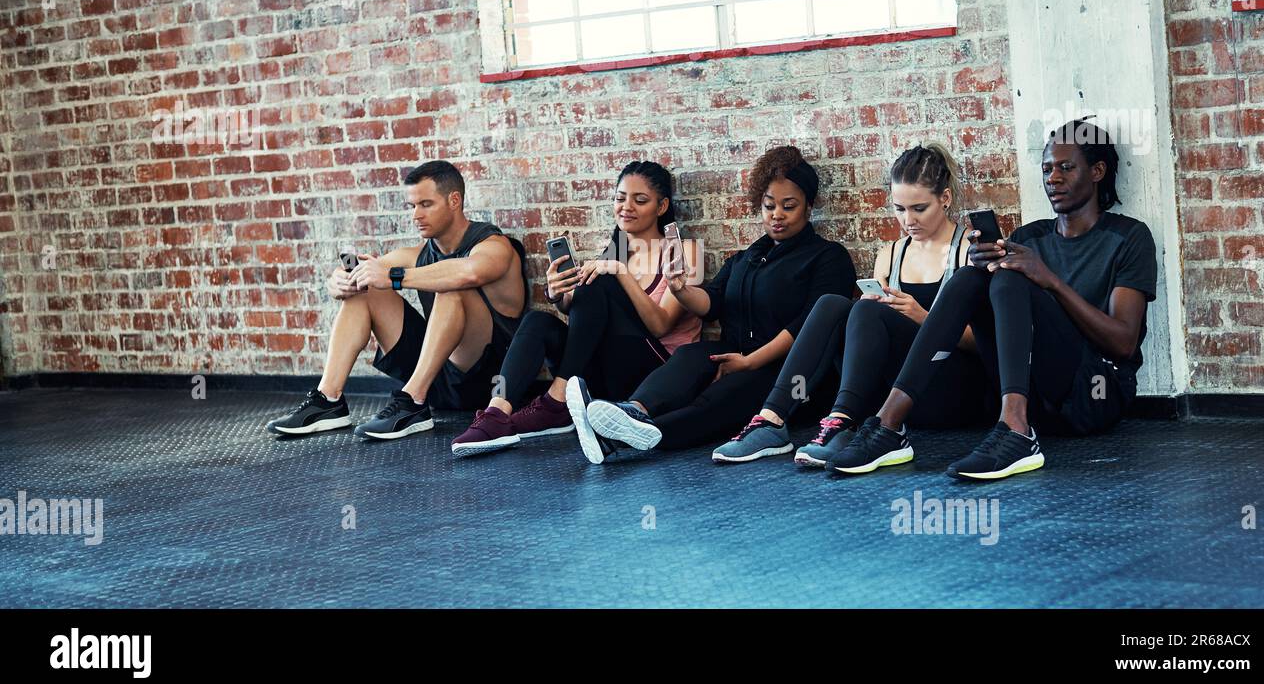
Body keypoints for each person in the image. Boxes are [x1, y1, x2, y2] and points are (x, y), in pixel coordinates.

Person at [839, 119, 1157, 480]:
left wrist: (1050, 280)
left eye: (1066, 168)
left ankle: (1017, 432)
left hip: (1095, 394)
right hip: (1035, 393)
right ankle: (889, 425)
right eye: (1047, 169)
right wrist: (983, 267)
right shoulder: (1030, 236)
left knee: (1008, 279)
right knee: (973, 276)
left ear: (1097, 171)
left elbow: (1124, 344)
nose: (1053, 178)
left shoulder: (1129, 237)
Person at [568, 146, 857, 464]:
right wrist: (679, 288)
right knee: (692, 355)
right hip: (736, 355)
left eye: (788, 206)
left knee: (719, 396)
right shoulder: (747, 259)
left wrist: (751, 362)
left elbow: (808, 325)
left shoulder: (828, 257)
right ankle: (634, 410)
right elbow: (711, 302)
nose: (776, 214)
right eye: (768, 206)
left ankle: (634, 437)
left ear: (809, 206)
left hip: (793, 377)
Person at [712, 143, 990, 467]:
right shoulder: (892, 253)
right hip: (891, 396)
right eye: (900, 209)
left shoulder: (968, 251)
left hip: (949, 392)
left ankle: (843, 421)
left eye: (919, 208)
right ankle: (774, 419)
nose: (908, 220)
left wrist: (922, 317)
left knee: (867, 309)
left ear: (944, 199)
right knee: (835, 304)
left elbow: (985, 342)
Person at [450, 161, 702, 457]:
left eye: (640, 200)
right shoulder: (614, 252)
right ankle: (496, 412)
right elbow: (588, 320)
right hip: (607, 370)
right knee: (537, 322)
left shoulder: (684, 250)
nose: (626, 207)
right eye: (620, 198)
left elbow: (662, 326)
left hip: (654, 374)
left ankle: (557, 402)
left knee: (601, 280)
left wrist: (619, 271)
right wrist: (558, 295)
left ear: (662, 207)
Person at [266, 160, 527, 440]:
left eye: (426, 204)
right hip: (436, 382)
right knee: (367, 287)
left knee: (452, 287)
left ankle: (412, 403)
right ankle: (329, 400)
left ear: (454, 200)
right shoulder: (417, 253)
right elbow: (371, 272)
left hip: (490, 388)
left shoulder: (495, 246)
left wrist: (394, 276)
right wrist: (341, 281)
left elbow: (469, 272)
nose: (416, 215)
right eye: (412, 206)